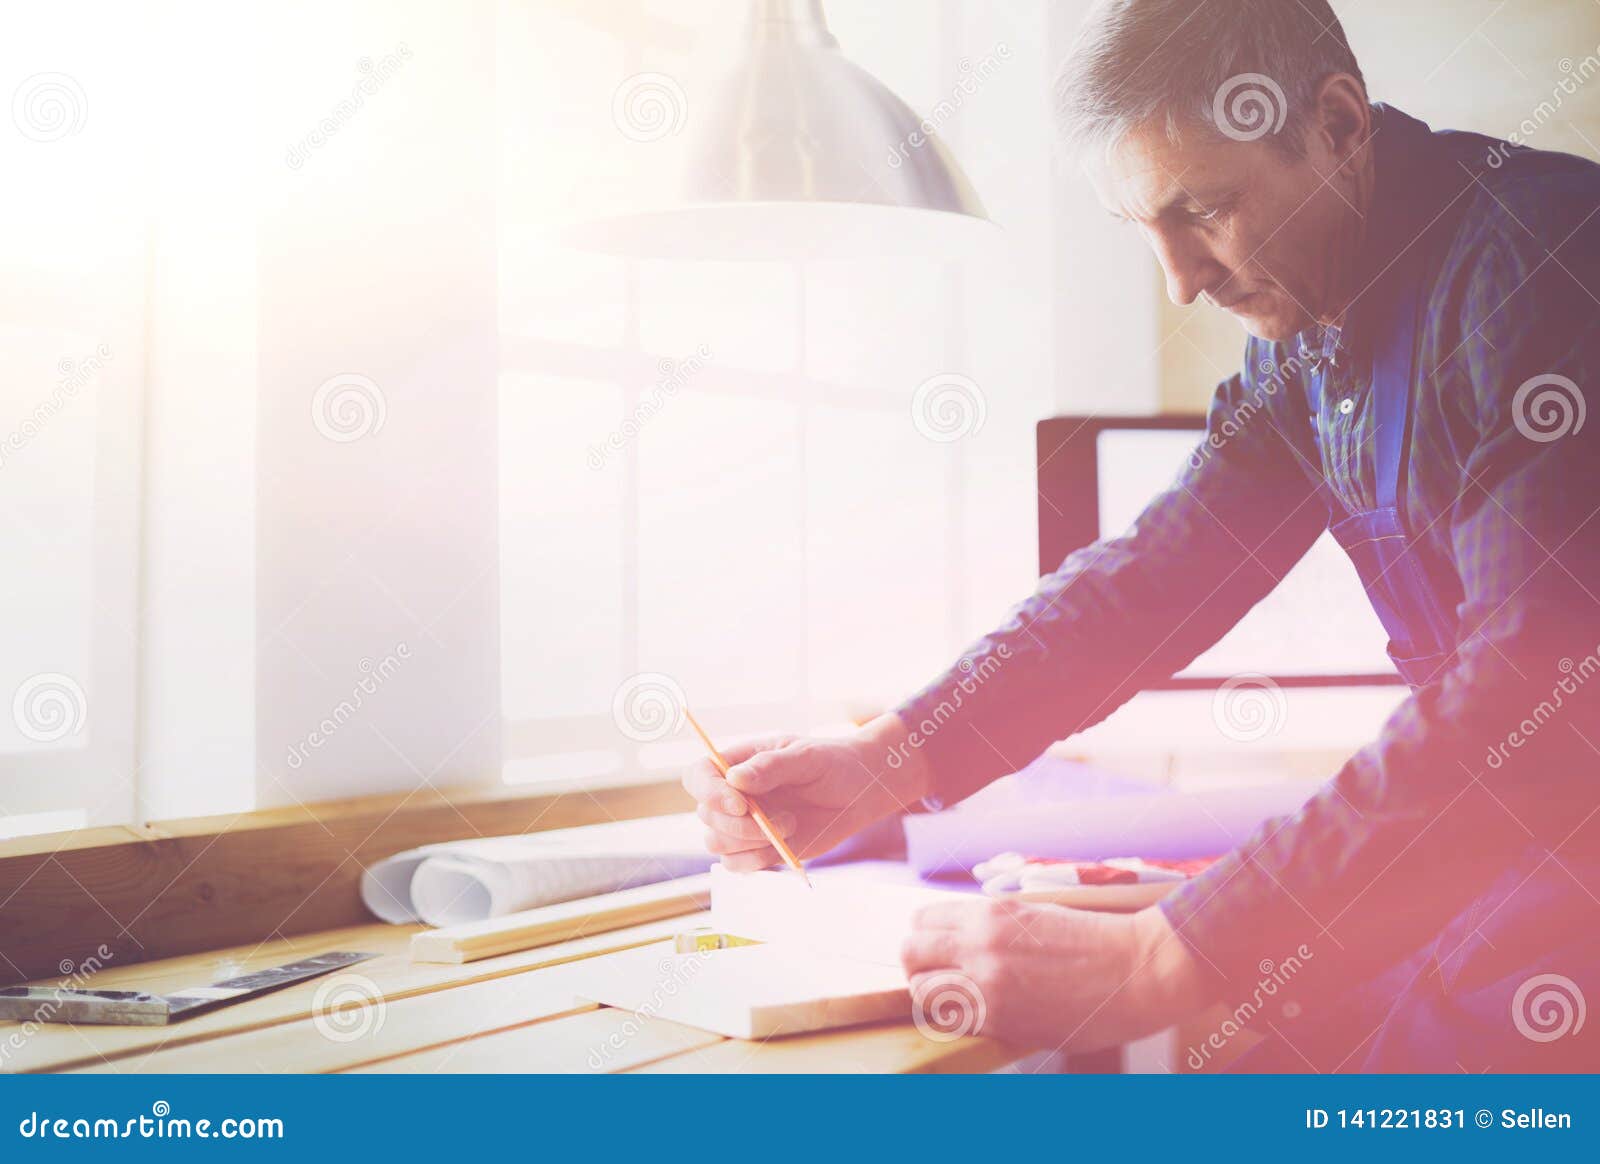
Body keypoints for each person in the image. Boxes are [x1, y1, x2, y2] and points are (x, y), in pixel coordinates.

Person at [681, 0, 1600, 1071]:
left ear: (1340, 123)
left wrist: (1166, 957)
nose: (1180, 280)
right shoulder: (1308, 336)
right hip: (1507, 852)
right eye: (1145, 230)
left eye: (1201, 210)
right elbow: (1159, 574)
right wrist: (895, 755)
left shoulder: (1544, 261)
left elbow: (1539, 704)